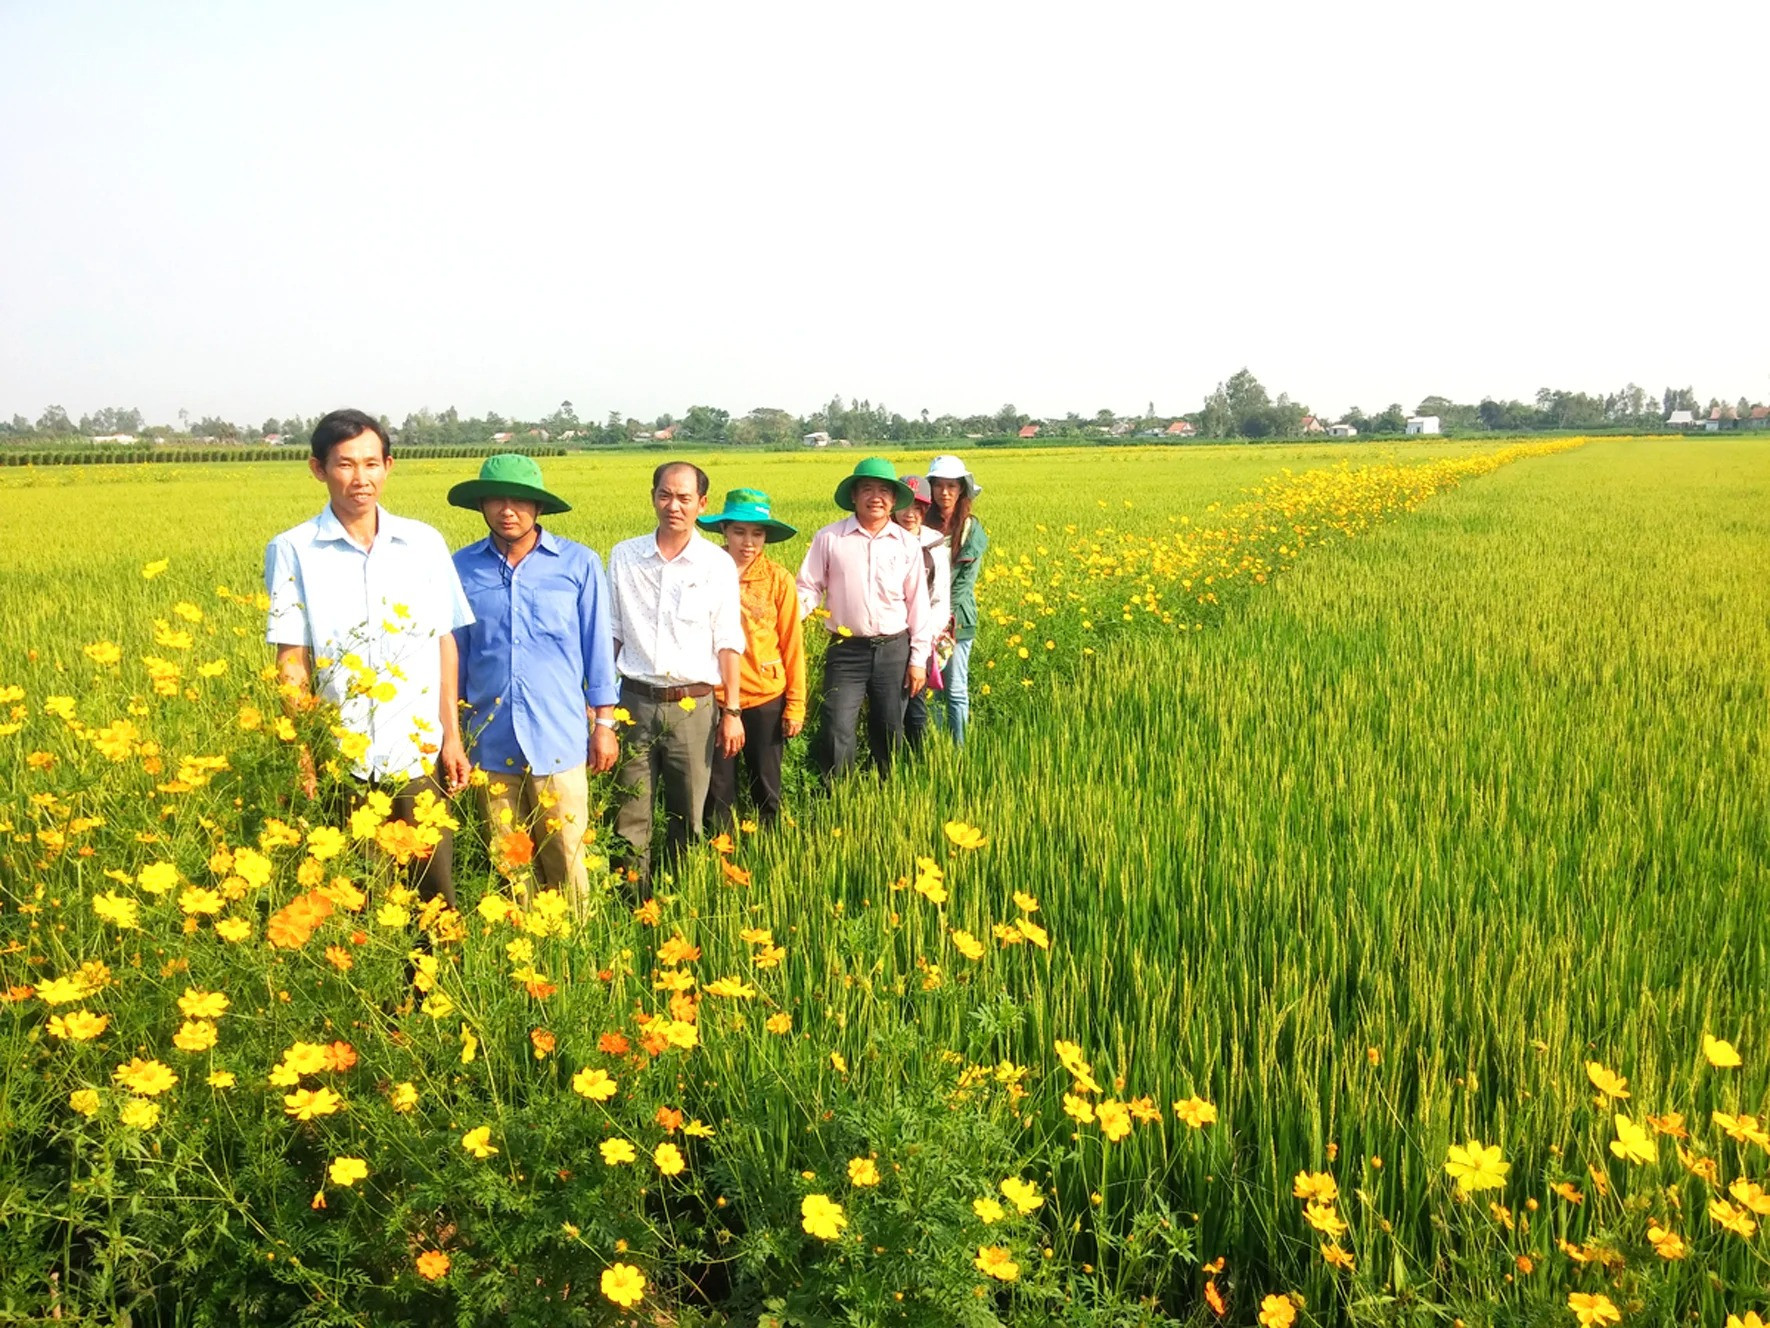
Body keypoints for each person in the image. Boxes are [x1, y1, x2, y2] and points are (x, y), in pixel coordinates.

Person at [263, 408, 473, 904]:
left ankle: (434, 984)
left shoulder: (424, 543)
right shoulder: (294, 549)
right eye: (345, 464)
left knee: (434, 898)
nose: (361, 478)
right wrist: (304, 753)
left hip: (417, 755)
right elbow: (292, 659)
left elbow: (442, 642)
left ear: (388, 466)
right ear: (318, 469)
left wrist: (452, 738)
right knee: (360, 900)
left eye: (372, 463)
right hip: (345, 759)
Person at [448, 454, 619, 913]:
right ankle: (527, 955)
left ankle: (577, 956)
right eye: (497, 499)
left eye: (520, 500)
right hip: (489, 739)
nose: (509, 509)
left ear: (538, 508)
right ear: (481, 506)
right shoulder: (461, 569)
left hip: (558, 736)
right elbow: (455, 657)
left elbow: (597, 647)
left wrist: (605, 723)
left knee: (568, 856)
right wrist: (453, 734)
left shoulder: (578, 564)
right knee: (511, 863)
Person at [606, 462, 746, 895]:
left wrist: (733, 711)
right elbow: (611, 633)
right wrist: (601, 711)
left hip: (694, 705)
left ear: (702, 505)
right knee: (629, 814)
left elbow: (728, 640)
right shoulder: (623, 556)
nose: (674, 506)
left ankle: (682, 898)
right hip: (635, 700)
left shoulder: (716, 564)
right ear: (653, 497)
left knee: (689, 812)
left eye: (685, 498)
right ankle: (632, 905)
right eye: (666, 495)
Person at [795, 456, 932, 784]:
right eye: (867, 489)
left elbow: (918, 606)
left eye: (884, 490)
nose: (876, 497)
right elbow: (809, 587)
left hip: (893, 649)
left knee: (888, 727)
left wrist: (918, 660)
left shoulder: (907, 545)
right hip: (846, 651)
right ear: (854, 496)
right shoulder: (830, 538)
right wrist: (784, 620)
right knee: (837, 724)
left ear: (893, 500)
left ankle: (888, 791)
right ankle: (838, 795)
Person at [696, 488, 807, 829]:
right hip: (713, 697)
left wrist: (796, 704)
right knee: (718, 788)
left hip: (765, 696)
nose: (748, 542)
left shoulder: (778, 580)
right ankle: (721, 854)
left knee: (767, 785)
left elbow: (792, 643)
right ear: (724, 531)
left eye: (757, 533)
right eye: (739, 532)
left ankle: (769, 853)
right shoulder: (702, 573)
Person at [925, 454, 988, 746]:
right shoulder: (921, 524)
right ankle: (939, 747)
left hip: (957, 620)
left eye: (951, 486)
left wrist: (939, 618)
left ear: (962, 489)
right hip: (923, 620)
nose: (944, 493)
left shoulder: (971, 529)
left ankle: (960, 749)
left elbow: (963, 583)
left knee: (955, 688)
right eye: (938, 486)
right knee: (933, 689)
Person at [894, 474, 951, 752]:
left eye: (918, 508)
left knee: (915, 705)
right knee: (888, 706)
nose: (910, 514)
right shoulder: (882, 540)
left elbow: (941, 599)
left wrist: (925, 638)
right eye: (905, 505)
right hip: (889, 635)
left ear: (926, 510)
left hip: (921, 638)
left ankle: (916, 762)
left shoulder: (935, 545)